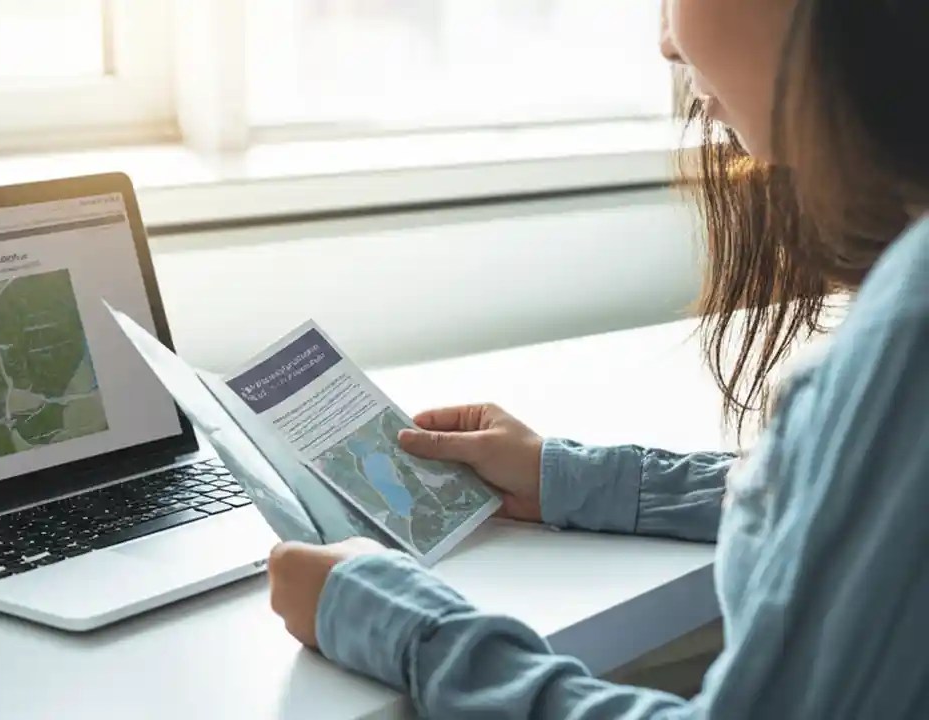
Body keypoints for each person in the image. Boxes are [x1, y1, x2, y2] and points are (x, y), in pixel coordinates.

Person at [266, 0, 929, 717]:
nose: (666, 43)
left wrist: (401, 625)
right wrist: (575, 479)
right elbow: (874, 511)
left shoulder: (912, 331)